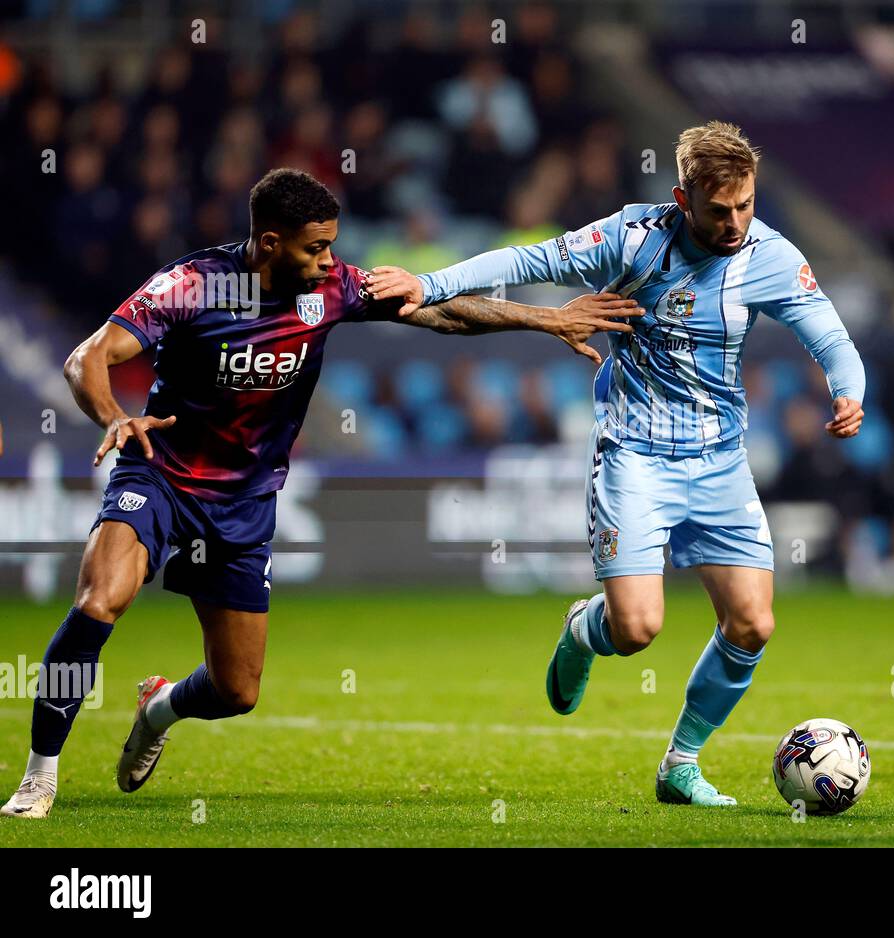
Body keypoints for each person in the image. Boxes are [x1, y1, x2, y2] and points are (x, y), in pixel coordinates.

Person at [1, 167, 639, 819]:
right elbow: (88, 358)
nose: (329, 260)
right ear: (270, 243)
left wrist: (544, 318)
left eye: (332, 245)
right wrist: (114, 417)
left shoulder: (332, 287)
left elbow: (441, 314)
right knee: (99, 601)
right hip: (158, 472)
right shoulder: (193, 286)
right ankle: (39, 776)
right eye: (316, 247)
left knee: (236, 689)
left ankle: (158, 707)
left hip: (243, 502)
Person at [366, 122, 865, 806]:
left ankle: (680, 765)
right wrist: (427, 281)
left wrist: (848, 392)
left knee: (752, 624)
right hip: (635, 456)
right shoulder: (629, 240)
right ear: (681, 197)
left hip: (720, 463)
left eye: (745, 205)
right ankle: (583, 628)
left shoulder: (771, 257)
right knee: (635, 630)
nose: (734, 222)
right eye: (719, 210)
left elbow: (830, 334)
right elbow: (523, 263)